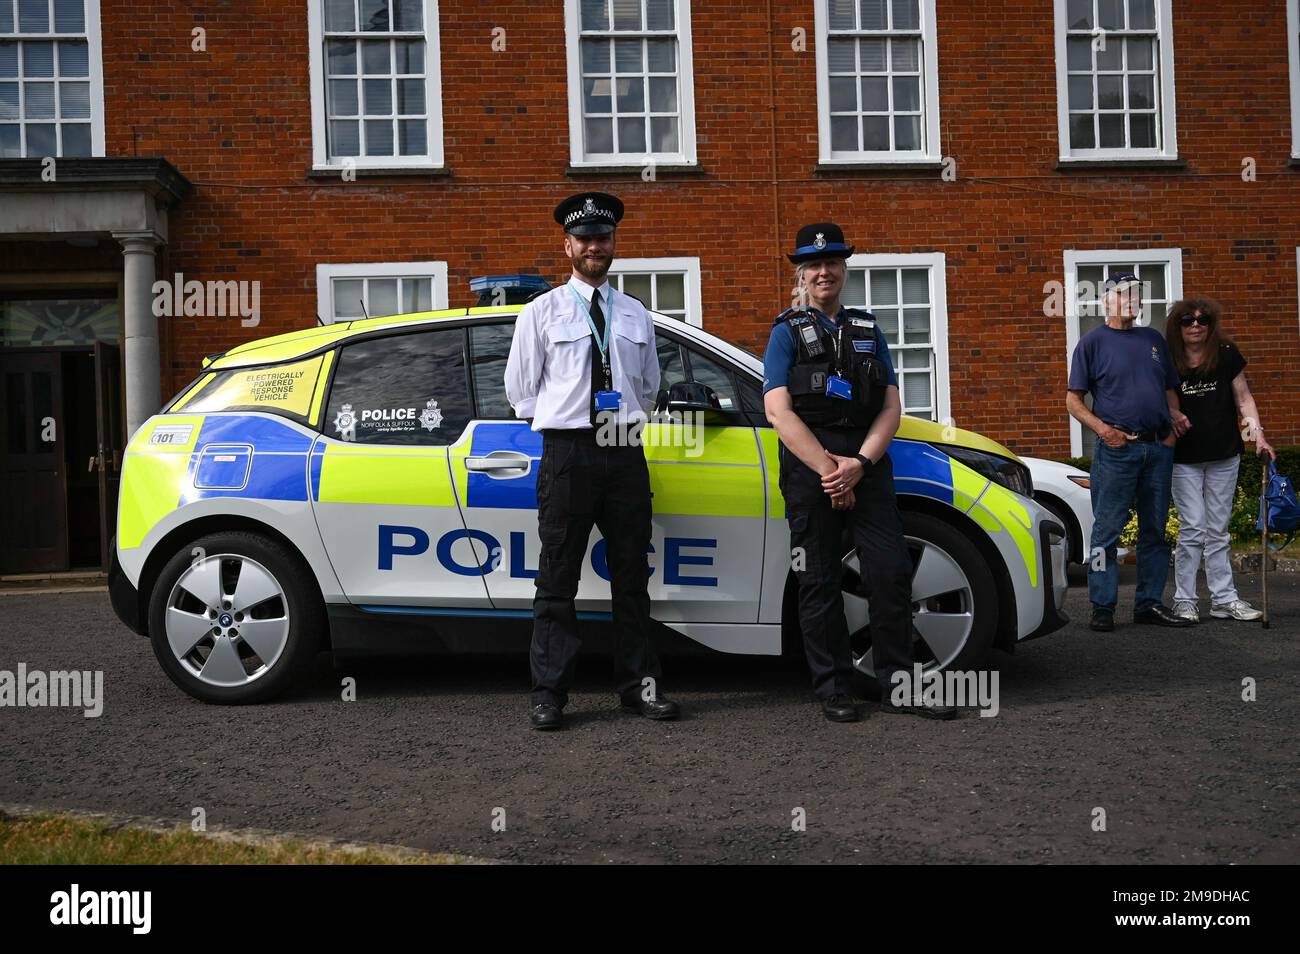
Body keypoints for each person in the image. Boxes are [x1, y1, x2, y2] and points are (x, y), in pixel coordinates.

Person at [762, 223, 956, 722]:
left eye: (832, 263)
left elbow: (890, 407)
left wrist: (861, 464)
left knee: (889, 573)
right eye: (813, 266)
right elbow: (779, 412)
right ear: (801, 276)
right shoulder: (785, 333)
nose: (824, 272)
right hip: (812, 466)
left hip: (865, 462)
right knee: (818, 578)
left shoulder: (869, 330)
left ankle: (899, 683)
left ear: (843, 270)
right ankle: (833, 689)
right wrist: (831, 471)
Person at [504, 192, 677, 730]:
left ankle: (639, 690)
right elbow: (521, 391)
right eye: (585, 239)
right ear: (568, 246)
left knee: (632, 577)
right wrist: (568, 420)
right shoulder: (542, 311)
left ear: (613, 244)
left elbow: (647, 388)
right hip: (568, 451)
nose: (595, 246)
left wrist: (616, 423)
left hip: (624, 447)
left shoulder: (635, 313)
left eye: (603, 237)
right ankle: (549, 695)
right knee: (557, 579)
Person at [1066, 272, 1193, 632]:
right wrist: (1104, 431)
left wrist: (1170, 430)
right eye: (1123, 294)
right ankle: (1102, 607)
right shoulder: (1092, 344)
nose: (1132, 300)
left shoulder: (1153, 340)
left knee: (1155, 531)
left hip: (1157, 449)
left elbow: (1168, 388)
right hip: (1117, 452)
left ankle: (1149, 604)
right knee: (1106, 533)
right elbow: (1073, 401)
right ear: (1106, 301)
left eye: (1137, 293)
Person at [1164, 298, 1274, 622]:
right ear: (1177, 325)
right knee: (1193, 527)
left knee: (1218, 529)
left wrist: (1258, 435)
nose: (1195, 325)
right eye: (1187, 320)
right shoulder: (1167, 359)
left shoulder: (1225, 354)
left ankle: (1224, 599)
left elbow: (1244, 398)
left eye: (1202, 320)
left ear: (1211, 325)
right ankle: (1185, 600)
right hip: (1183, 458)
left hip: (1224, 454)